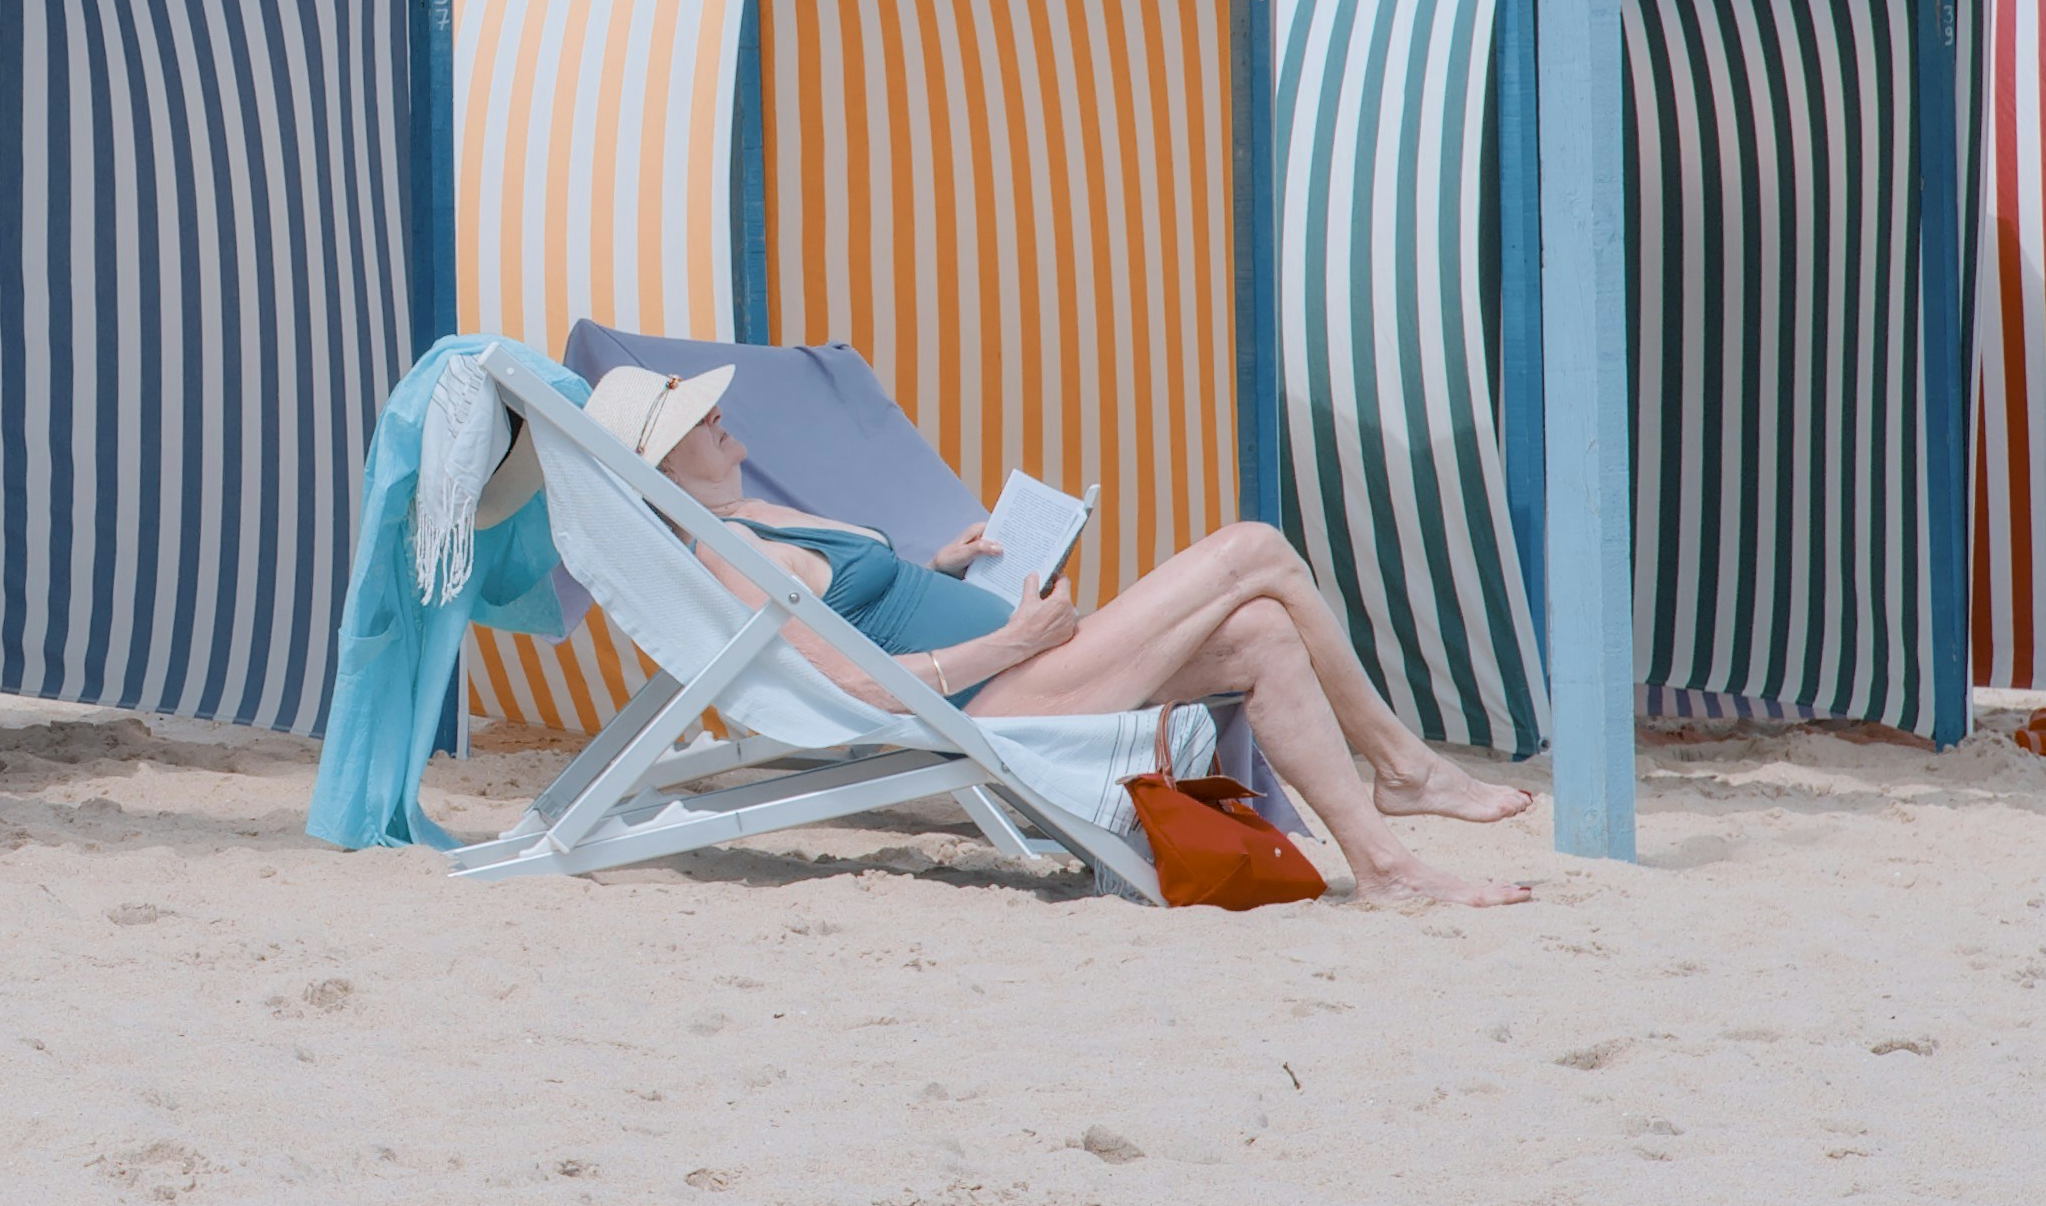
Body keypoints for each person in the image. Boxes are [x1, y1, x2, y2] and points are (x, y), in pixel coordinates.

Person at [578, 365, 1533, 908]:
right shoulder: (735, 553)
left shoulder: (755, 515)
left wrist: (945, 570)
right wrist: (1012, 639)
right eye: (690, 415)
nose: (716, 411)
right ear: (658, 459)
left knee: (1259, 633)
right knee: (1254, 548)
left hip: (1016, 665)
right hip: (994, 699)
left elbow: (859, 610)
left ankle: (1383, 862)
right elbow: (852, 690)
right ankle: (1407, 771)